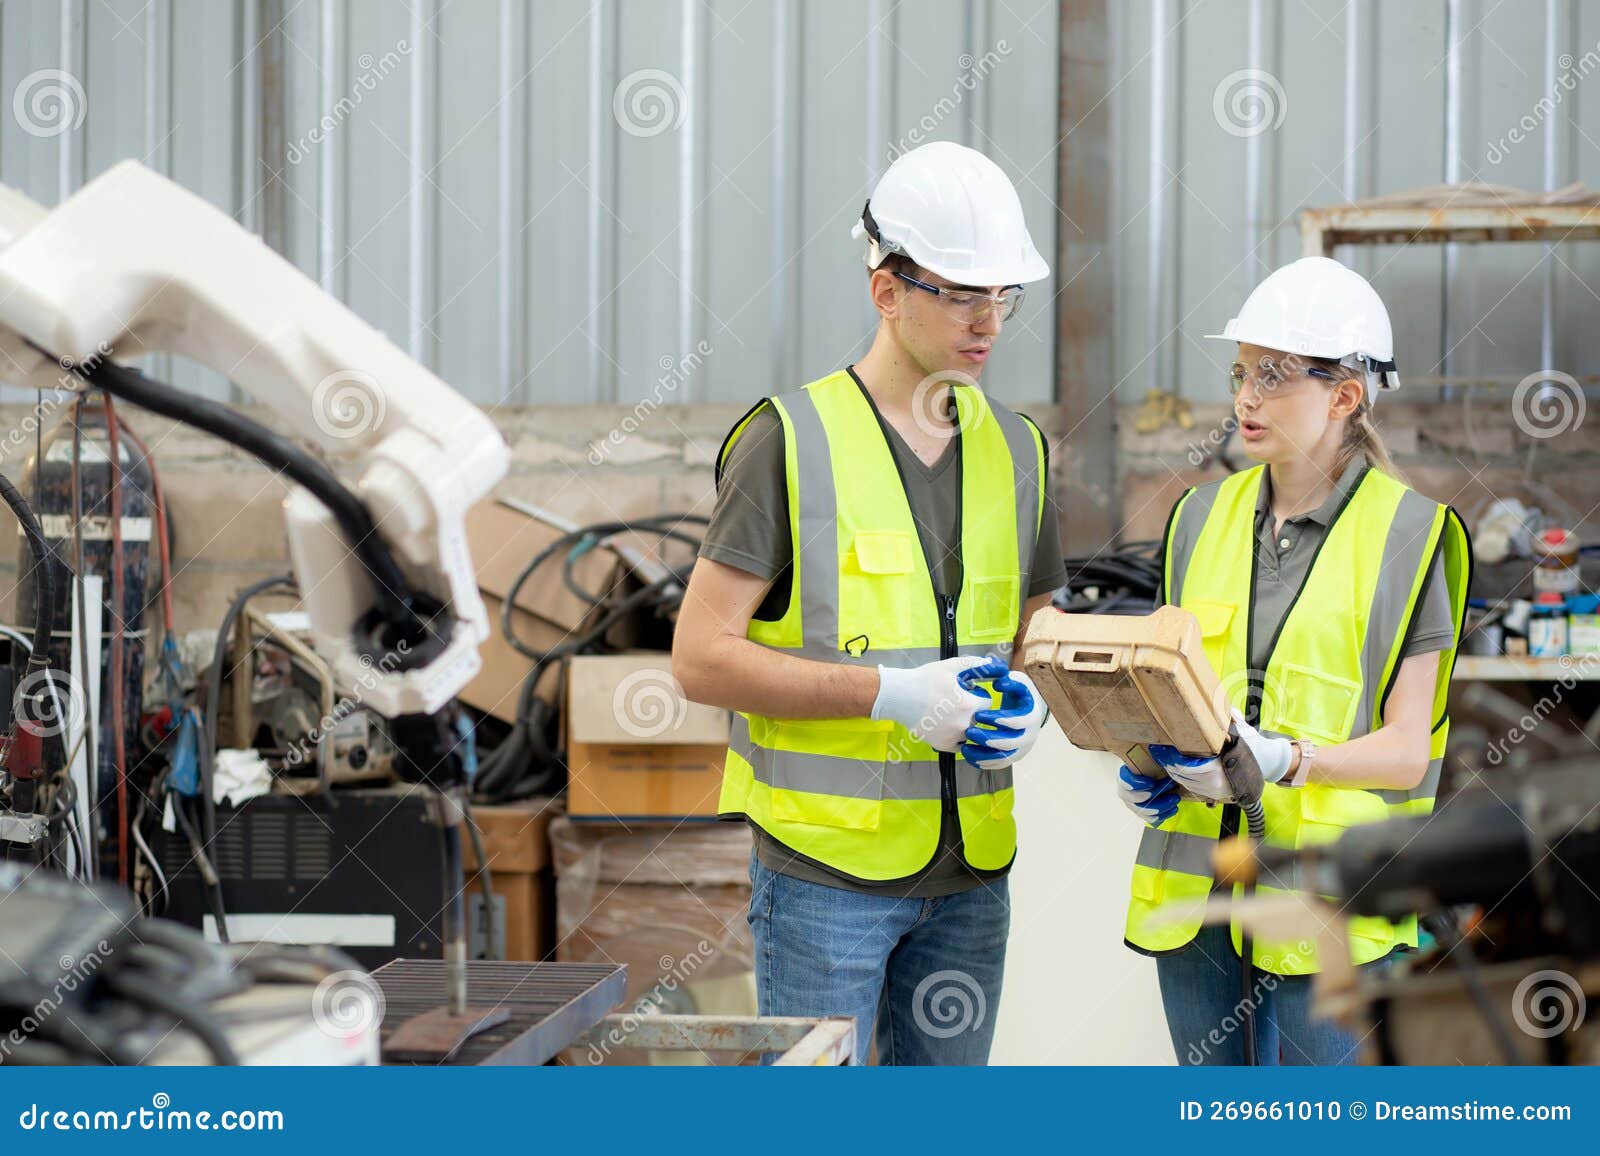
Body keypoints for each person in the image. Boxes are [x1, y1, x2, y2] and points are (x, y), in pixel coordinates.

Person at [672, 141, 1064, 1065]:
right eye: (964, 295)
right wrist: (892, 696)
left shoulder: (1020, 451)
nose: (990, 323)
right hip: (825, 880)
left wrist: (1040, 695)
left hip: (972, 871)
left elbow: (1036, 634)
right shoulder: (788, 442)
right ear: (886, 290)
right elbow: (700, 658)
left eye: (1003, 296)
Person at [1118, 256, 1470, 1066]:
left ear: (1345, 396)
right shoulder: (1198, 517)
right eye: (1241, 373)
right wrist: (1146, 761)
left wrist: (1282, 761)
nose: (1245, 397)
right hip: (1199, 885)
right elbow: (1173, 693)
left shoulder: (1412, 536)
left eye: (1273, 377)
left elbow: (1408, 749)